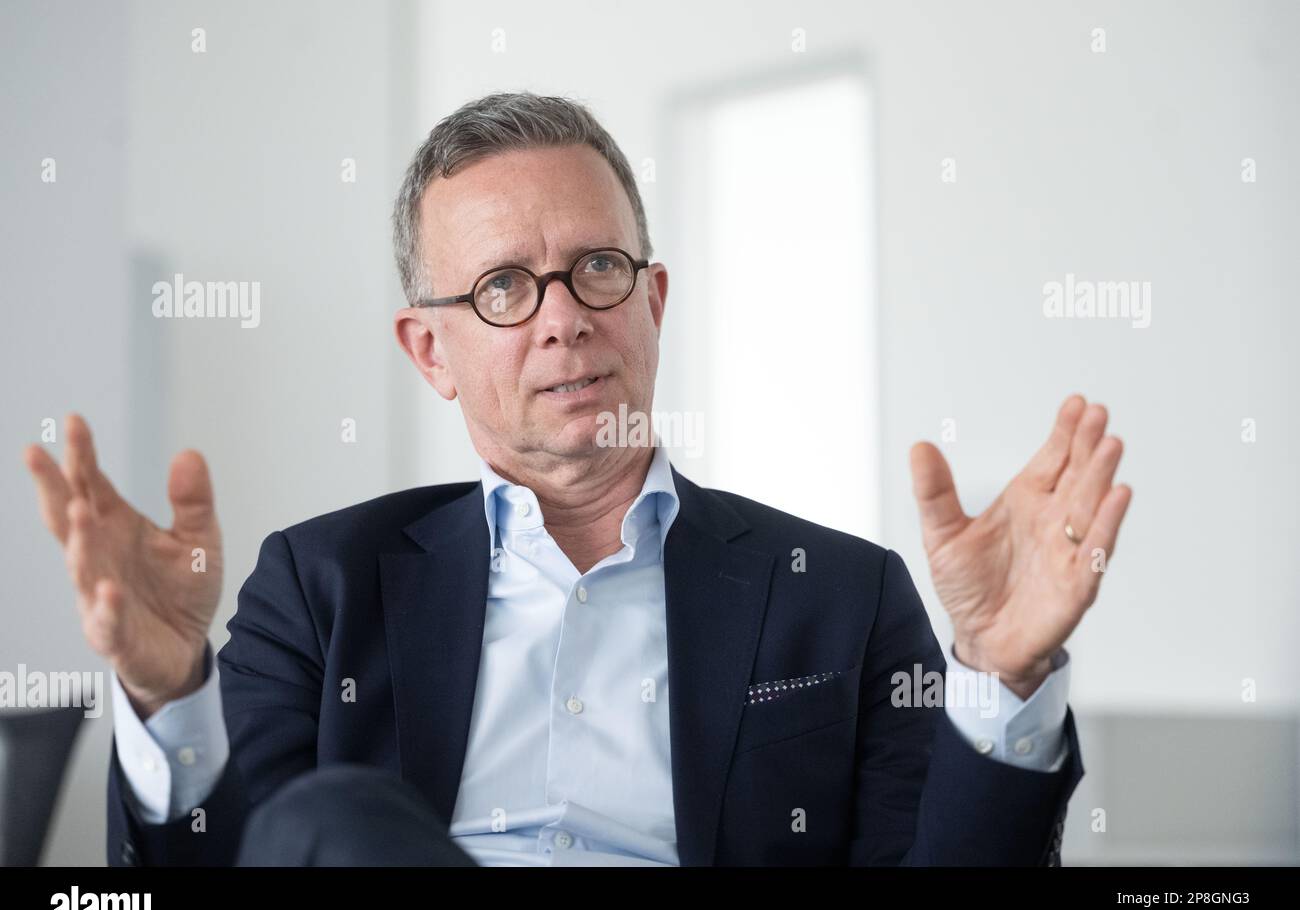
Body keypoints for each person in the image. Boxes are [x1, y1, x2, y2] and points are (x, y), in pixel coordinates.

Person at [23, 92, 1131, 866]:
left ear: (652, 301)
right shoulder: (321, 583)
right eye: (503, 286)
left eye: (597, 267)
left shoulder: (840, 593)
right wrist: (170, 700)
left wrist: (1003, 675)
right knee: (333, 821)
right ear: (429, 351)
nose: (562, 319)